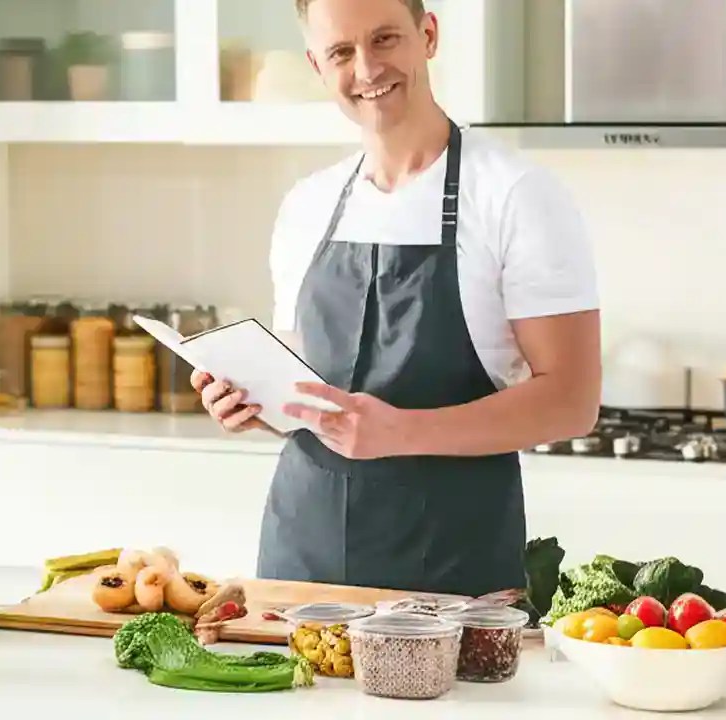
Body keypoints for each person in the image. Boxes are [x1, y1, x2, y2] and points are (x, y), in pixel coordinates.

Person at [192, 0, 601, 598]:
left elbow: (572, 402)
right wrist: (255, 405)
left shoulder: (516, 196)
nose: (366, 68)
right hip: (301, 562)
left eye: (385, 39)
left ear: (427, 34)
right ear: (316, 63)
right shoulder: (306, 206)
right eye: (341, 52)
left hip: (452, 573)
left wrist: (398, 433)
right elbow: (309, 394)